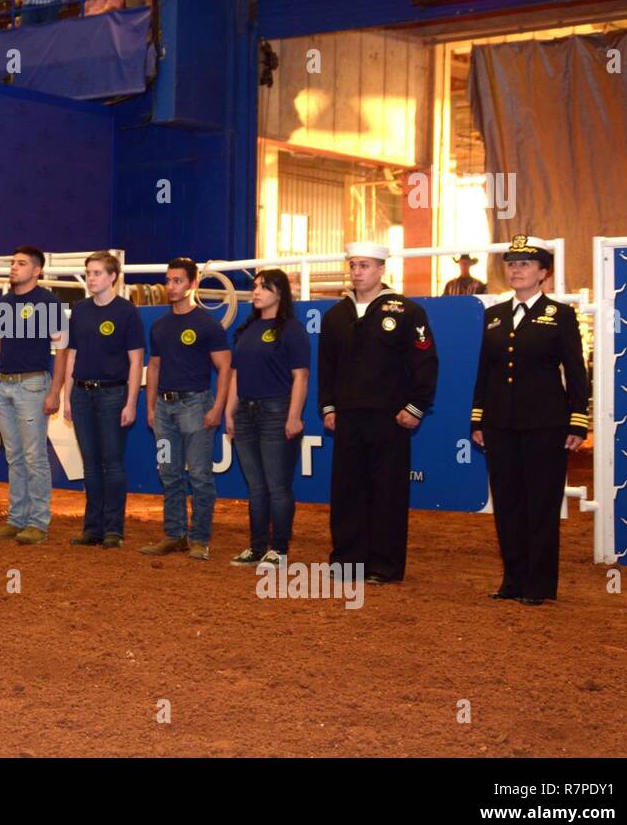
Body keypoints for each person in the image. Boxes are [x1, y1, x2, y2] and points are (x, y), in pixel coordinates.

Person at [472, 236, 588, 606]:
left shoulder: (560, 315)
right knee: (507, 503)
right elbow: (485, 372)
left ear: (543, 273)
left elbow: (575, 371)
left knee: (541, 503)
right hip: (500, 424)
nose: (516, 269)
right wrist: (479, 418)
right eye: (511, 263)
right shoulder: (494, 316)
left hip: (545, 424)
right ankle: (513, 579)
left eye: (525, 264)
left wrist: (577, 421)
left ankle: (538, 585)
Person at [318, 242, 439, 584]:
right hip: (348, 419)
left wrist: (415, 408)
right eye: (354, 265)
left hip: (390, 419)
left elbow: (425, 363)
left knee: (388, 492)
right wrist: (328, 407)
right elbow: (326, 367)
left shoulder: (407, 311)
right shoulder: (336, 315)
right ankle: (347, 562)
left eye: (365, 266)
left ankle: (384, 565)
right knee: (347, 491)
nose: (358, 272)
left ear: (382, 269)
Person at [141, 258, 231, 560]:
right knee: (169, 472)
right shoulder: (160, 326)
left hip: (196, 406)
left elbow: (225, 367)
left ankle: (200, 539)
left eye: (177, 281)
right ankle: (174, 534)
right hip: (165, 410)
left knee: (201, 476)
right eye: (168, 280)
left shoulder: (208, 325)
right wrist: (151, 407)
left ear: (193, 284)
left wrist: (217, 408)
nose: (171, 286)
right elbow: (153, 367)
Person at [0, 246, 67, 544]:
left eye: (21, 263)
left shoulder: (49, 302)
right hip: (4, 385)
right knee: (15, 455)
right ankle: (17, 519)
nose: (14, 267)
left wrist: (55, 391)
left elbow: (62, 349)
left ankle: (38, 522)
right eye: (13, 263)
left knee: (33, 456)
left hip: (32, 384)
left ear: (37, 270)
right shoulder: (3, 302)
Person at [226, 269, 310, 567]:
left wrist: (294, 416)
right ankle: (257, 546)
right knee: (257, 486)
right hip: (245, 413)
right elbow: (236, 375)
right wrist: (229, 411)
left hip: (276, 412)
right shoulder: (246, 330)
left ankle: (279, 549)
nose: (256, 292)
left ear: (279, 292)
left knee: (277, 485)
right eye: (255, 286)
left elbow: (300, 377)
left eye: (264, 287)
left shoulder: (292, 329)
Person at [63, 251, 145, 548]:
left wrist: (131, 401)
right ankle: (92, 528)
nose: (91, 278)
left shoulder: (126, 312)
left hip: (113, 393)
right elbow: (73, 354)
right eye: (89, 272)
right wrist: (68, 396)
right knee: (91, 464)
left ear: (113, 277)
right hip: (82, 393)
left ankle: (114, 529)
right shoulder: (81, 310)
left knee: (112, 462)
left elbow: (136, 361)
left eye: (97, 273)